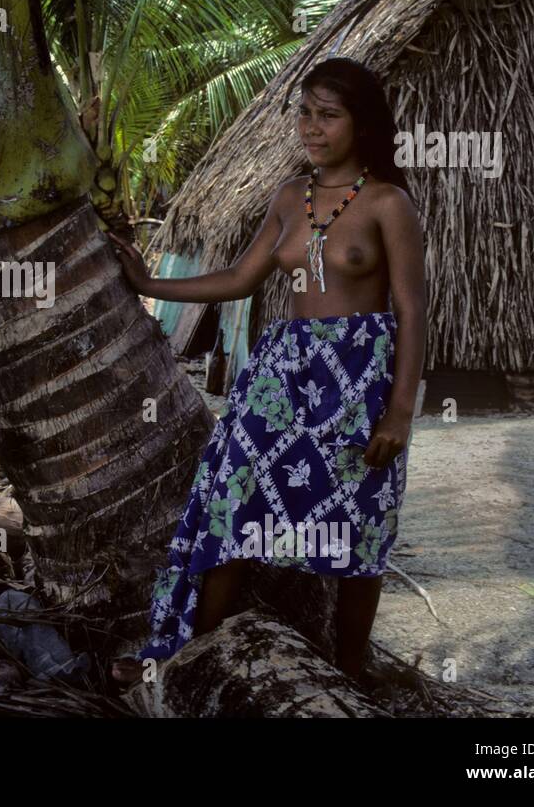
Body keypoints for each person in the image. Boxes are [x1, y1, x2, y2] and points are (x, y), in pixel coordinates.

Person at [107, 56, 427, 688]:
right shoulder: (289, 196)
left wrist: (400, 410)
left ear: (361, 126)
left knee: (356, 530)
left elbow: (412, 311)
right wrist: (147, 282)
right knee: (235, 506)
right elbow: (238, 279)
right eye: (305, 112)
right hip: (281, 379)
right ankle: (192, 660)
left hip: (358, 383)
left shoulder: (389, 203)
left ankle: (350, 675)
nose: (311, 126)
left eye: (328, 115)